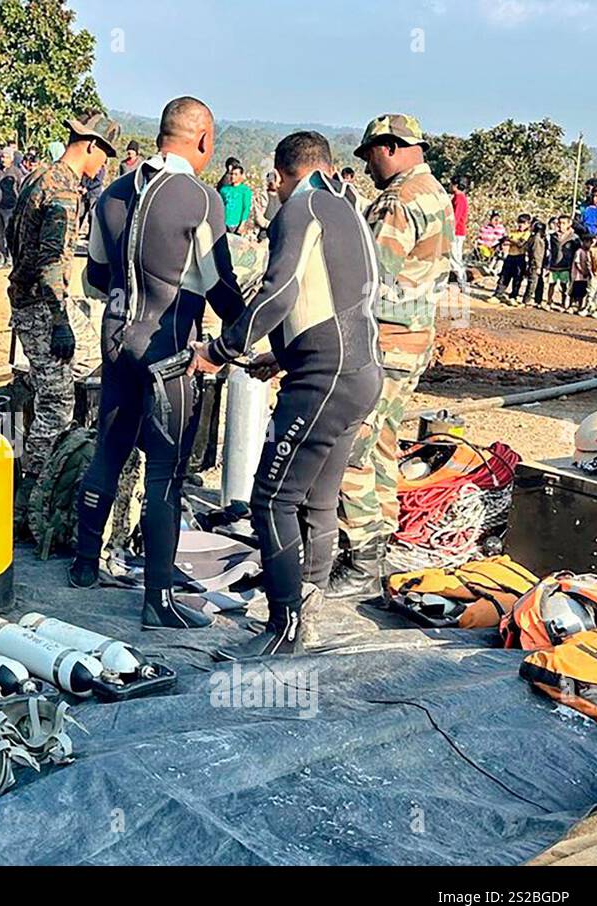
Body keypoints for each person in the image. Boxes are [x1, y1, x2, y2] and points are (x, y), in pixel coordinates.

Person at [191, 132, 383, 653]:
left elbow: (278, 293)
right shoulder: (350, 208)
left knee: (271, 499)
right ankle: (310, 599)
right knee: (318, 500)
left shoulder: (300, 211)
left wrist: (221, 349)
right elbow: (343, 296)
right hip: (361, 371)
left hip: (325, 378)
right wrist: (283, 354)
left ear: (278, 176)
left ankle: (284, 627)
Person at [68, 97, 244, 631]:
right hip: (169, 351)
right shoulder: (200, 198)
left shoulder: (114, 192)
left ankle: (82, 566)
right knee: (167, 475)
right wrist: (245, 335)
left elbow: (95, 277)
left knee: (109, 451)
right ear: (204, 141)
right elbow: (219, 283)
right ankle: (157, 601)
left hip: (116, 341)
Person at [327, 114, 455, 599]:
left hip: (385, 342)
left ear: (390, 147)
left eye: (371, 156)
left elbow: (367, 279)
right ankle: (378, 547)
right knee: (384, 444)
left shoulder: (398, 202)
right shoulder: (436, 194)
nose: (368, 168)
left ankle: (360, 558)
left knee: (354, 446)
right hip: (414, 340)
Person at [8, 113, 118, 503]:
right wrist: (59, 322)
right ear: (90, 146)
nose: (102, 166)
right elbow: (53, 261)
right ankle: (33, 495)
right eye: (103, 156)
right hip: (43, 304)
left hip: (27, 297)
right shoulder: (64, 192)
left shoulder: (39, 176)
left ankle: (37, 483)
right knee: (57, 402)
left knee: (59, 386)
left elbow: (13, 236)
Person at [0, 146, 24, 269]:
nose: (3, 159)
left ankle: (10, 259)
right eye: (2, 157)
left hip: (10, 208)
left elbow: (21, 189)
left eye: (5, 157)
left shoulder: (16, 172)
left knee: (8, 234)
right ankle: (1, 257)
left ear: (11, 158)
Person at [495, 213, 531, 301]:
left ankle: (513, 296)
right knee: (504, 276)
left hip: (520, 257)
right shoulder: (513, 232)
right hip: (510, 256)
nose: (521, 225)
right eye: (519, 222)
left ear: (528, 224)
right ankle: (498, 294)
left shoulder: (527, 233)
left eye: (523, 223)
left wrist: (509, 239)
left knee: (517, 278)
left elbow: (520, 244)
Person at [447, 175, 469, 292]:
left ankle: (462, 283)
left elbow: (455, 217)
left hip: (456, 232)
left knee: (455, 258)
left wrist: (448, 231)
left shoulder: (459, 198)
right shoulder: (457, 197)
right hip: (456, 232)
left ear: (456, 185)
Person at [521, 219, 549, 307]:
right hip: (536, 264)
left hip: (535, 263)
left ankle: (537, 300)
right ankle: (527, 300)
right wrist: (538, 267)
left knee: (538, 282)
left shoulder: (534, 238)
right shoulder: (538, 240)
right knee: (533, 282)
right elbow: (537, 254)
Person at [218, 163, 252, 233]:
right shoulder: (224, 190)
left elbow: (246, 208)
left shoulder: (245, 190)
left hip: (236, 224)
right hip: (224, 223)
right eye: (232, 174)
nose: (233, 176)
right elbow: (220, 205)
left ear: (241, 176)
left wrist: (242, 224)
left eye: (236, 174)